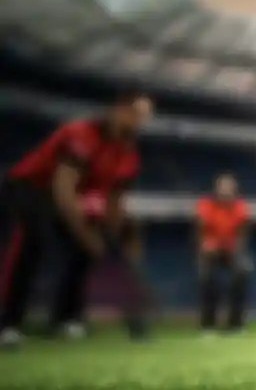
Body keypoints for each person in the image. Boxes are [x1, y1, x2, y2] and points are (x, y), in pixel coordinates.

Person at [0, 94, 153, 348]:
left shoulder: (129, 155)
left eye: (146, 116)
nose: (142, 121)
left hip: (75, 198)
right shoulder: (82, 133)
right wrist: (88, 236)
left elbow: (114, 203)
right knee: (32, 240)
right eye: (137, 113)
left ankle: (66, 319)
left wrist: (107, 241)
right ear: (119, 110)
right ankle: (8, 323)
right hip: (31, 188)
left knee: (87, 253)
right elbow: (63, 189)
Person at [195, 174, 252, 337]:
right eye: (222, 188)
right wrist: (205, 246)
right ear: (216, 189)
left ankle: (236, 324)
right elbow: (200, 230)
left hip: (231, 249)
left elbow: (242, 233)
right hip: (211, 249)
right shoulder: (205, 204)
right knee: (207, 277)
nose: (225, 192)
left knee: (243, 270)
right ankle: (208, 325)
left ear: (235, 191)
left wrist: (237, 250)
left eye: (229, 188)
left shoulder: (241, 206)